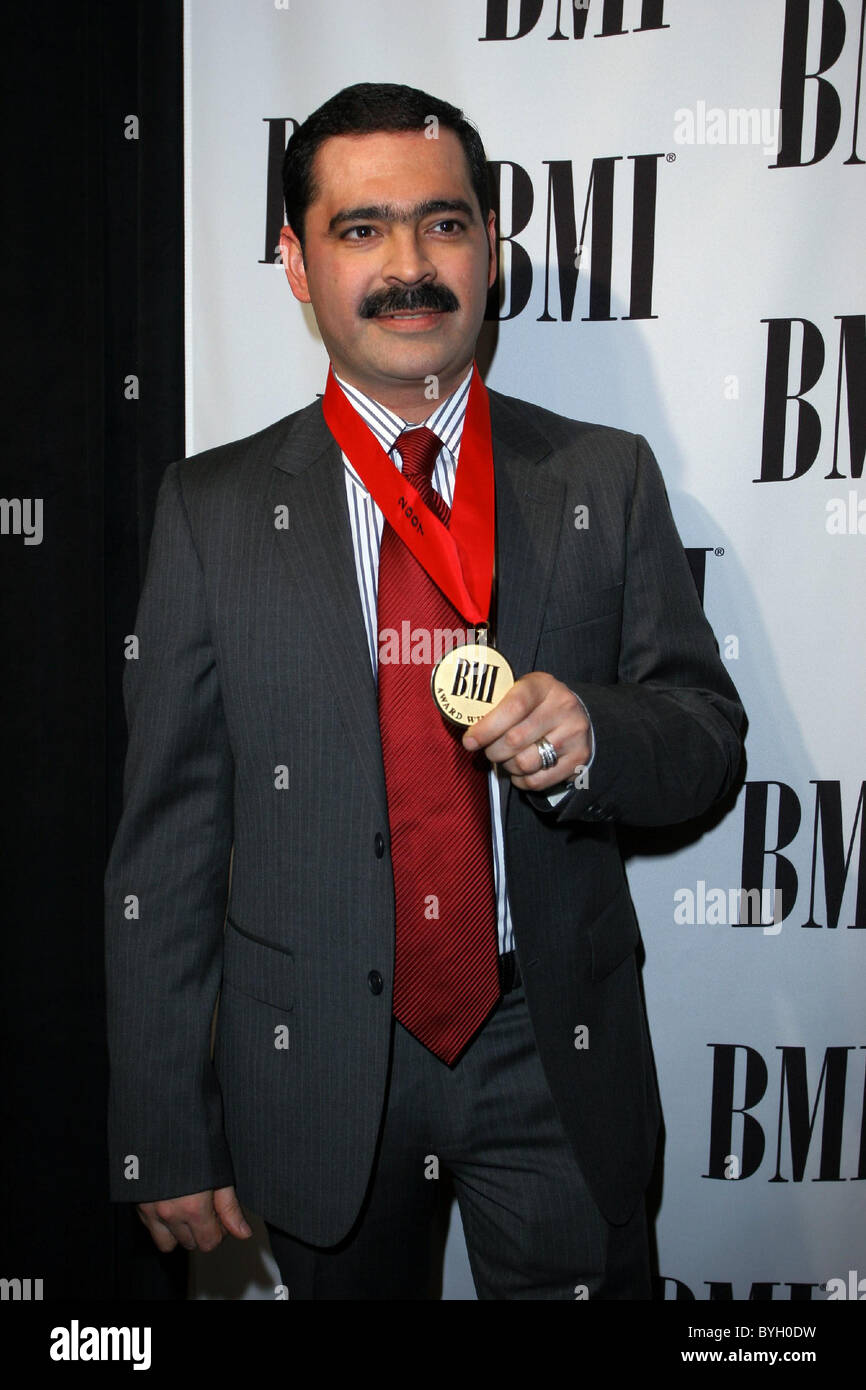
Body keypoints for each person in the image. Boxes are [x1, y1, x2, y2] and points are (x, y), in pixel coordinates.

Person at [104, 82, 745, 1300]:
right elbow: (166, 847)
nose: (409, 265)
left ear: (491, 248)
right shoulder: (211, 510)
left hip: (547, 1047)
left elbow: (704, 739)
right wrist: (161, 1119)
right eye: (361, 230)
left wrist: (595, 734)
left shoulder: (599, 478)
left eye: (444, 223)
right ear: (295, 263)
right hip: (315, 1064)